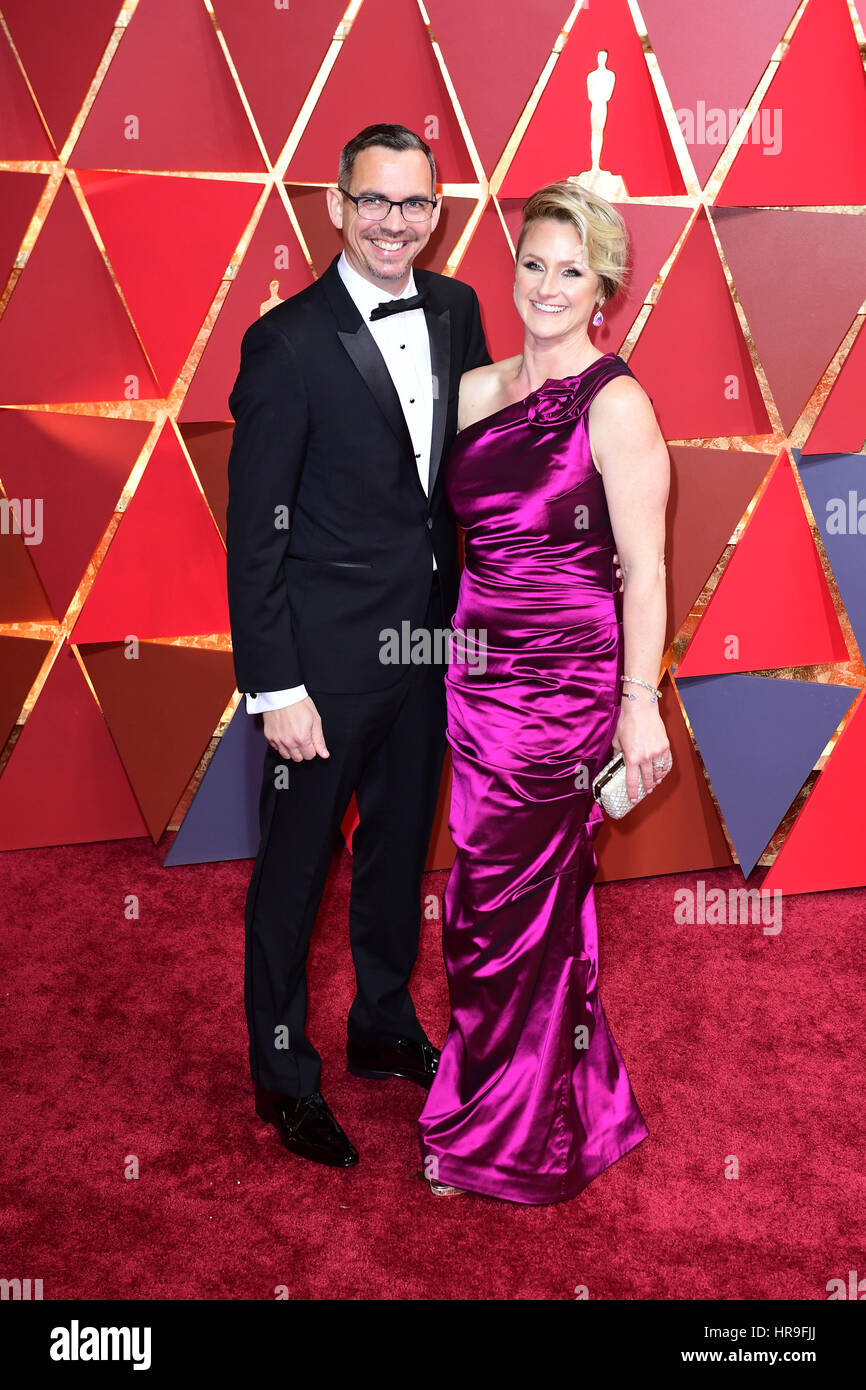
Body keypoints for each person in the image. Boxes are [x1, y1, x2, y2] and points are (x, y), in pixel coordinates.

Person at [225, 124, 491, 1168]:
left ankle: (381, 1023)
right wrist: (275, 685)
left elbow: (464, 474)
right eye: (373, 201)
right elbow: (254, 536)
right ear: (335, 205)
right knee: (292, 877)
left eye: (413, 204)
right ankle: (283, 1076)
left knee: (394, 856)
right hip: (321, 668)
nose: (393, 223)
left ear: (437, 210)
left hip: (426, 647)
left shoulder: (458, 308)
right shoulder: (285, 342)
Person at [418, 180, 671, 1203]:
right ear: (512, 265)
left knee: (508, 909)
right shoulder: (477, 390)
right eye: (534, 263)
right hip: (476, 678)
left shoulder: (615, 402)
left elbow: (643, 569)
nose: (547, 285)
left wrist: (637, 700)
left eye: (572, 271)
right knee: (483, 902)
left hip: (563, 687)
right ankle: (563, 1092)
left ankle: (508, 1133)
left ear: (601, 288)